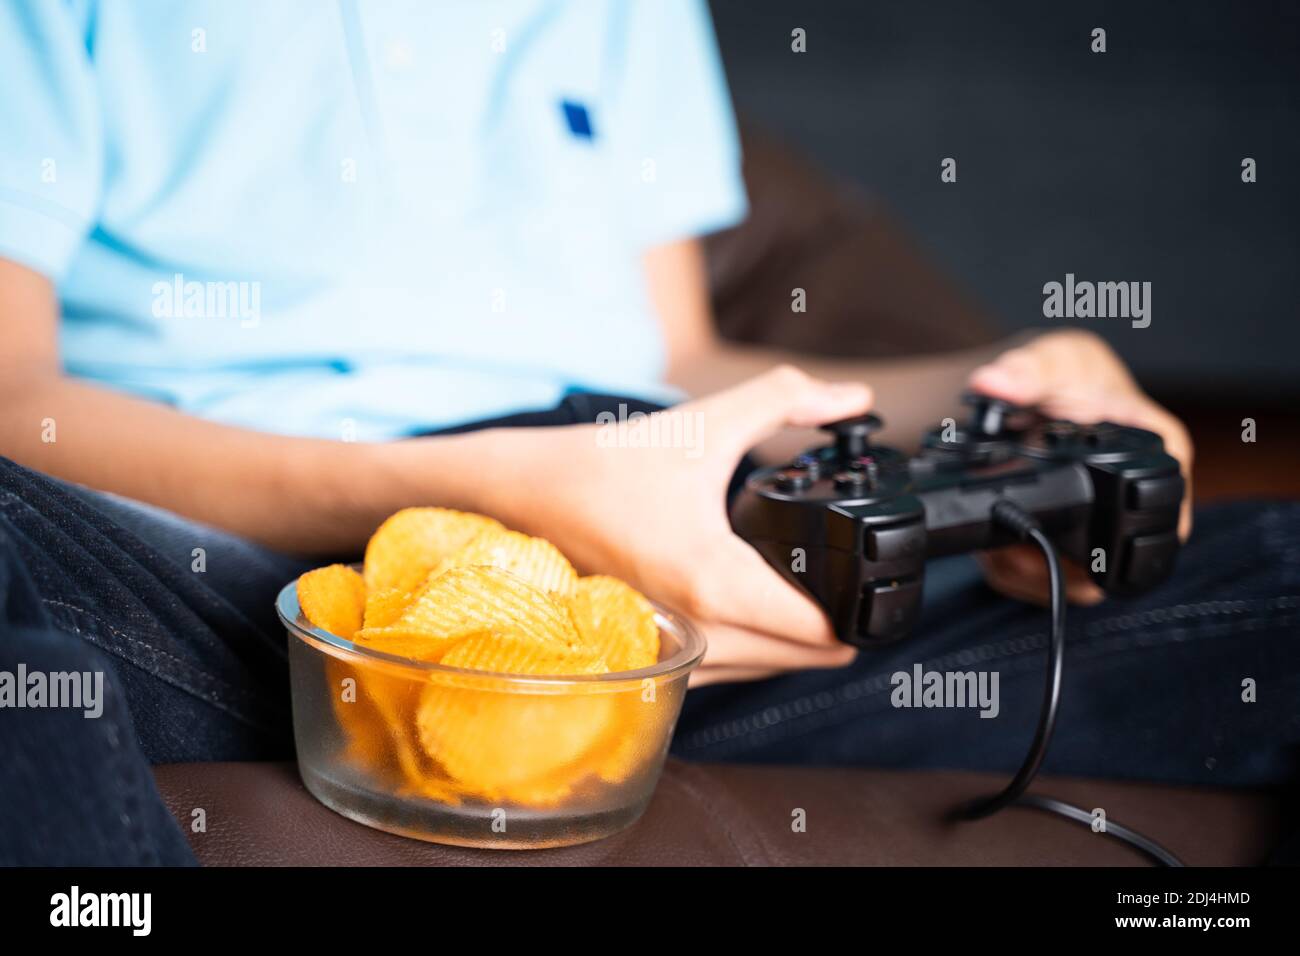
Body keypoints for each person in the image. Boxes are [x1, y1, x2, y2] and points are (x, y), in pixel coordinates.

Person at [0, 1, 1294, 865]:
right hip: (237, 591)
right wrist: (504, 489)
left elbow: (682, 358)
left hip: (679, 592)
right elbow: (16, 406)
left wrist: (992, 400)